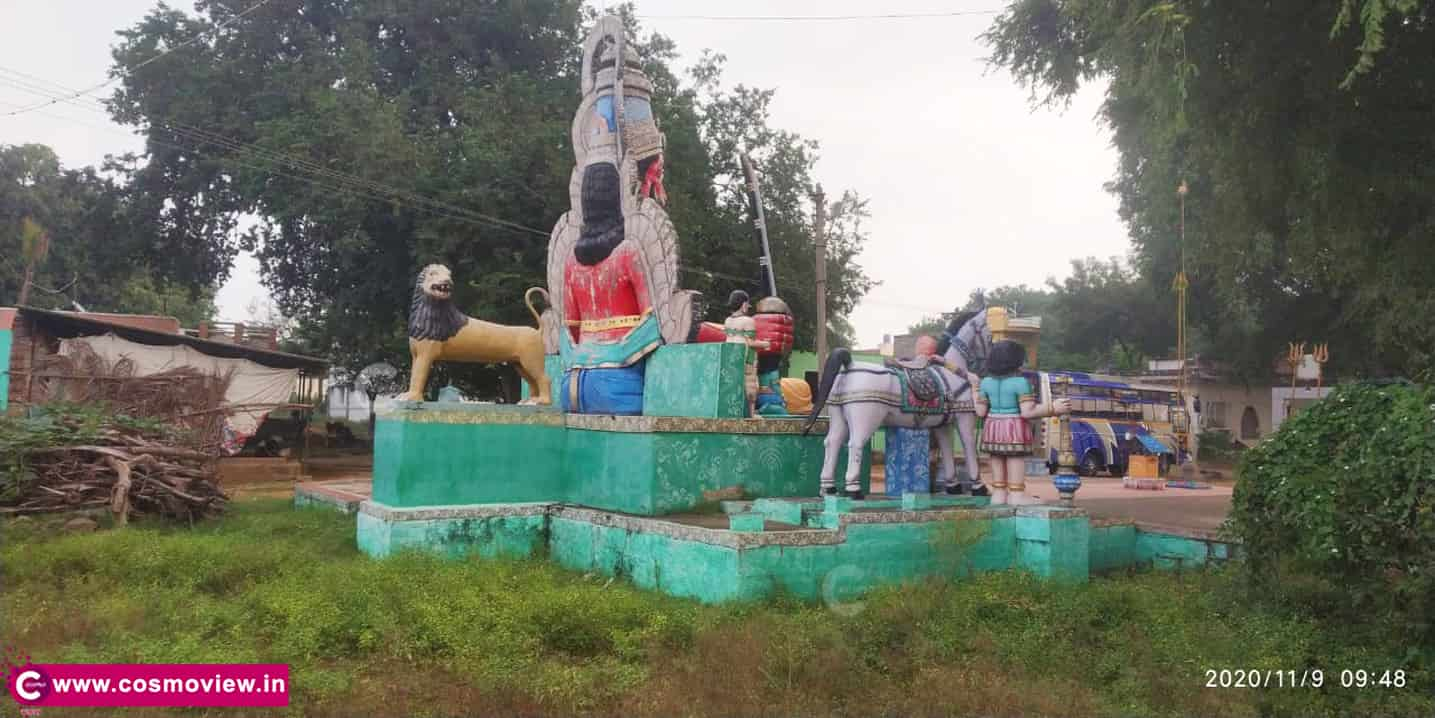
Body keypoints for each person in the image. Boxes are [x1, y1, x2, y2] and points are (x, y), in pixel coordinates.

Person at [968, 340, 1071, 505]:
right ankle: (1016, 495)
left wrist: (974, 388)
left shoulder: (986, 383)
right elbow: (1027, 412)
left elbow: (980, 412)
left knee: (997, 457)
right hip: (1013, 426)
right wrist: (1053, 408)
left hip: (992, 425)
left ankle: (999, 494)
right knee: (1014, 458)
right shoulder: (1021, 383)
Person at [724, 290, 771, 416]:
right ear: (744, 304)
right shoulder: (748, 321)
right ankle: (751, 415)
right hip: (746, 358)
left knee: (733, 386)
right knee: (751, 385)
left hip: (730, 357)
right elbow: (750, 342)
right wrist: (766, 344)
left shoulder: (728, 320)